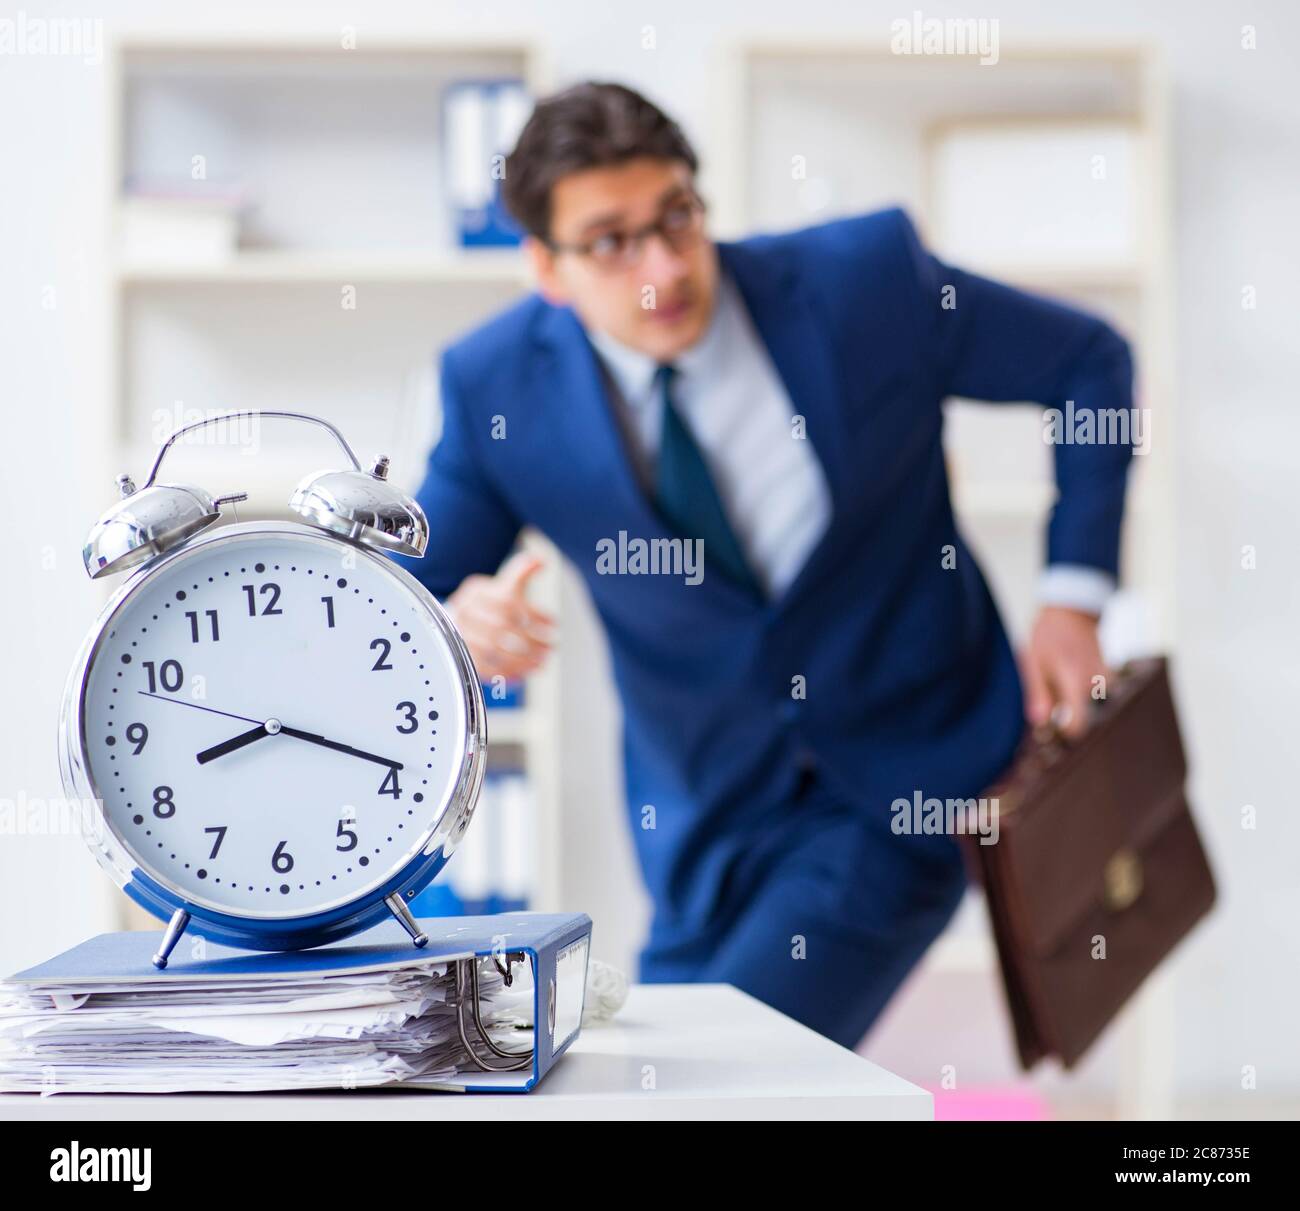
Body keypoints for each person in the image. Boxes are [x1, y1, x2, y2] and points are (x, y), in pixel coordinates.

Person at [412, 82, 1134, 1048]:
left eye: (678, 217)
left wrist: (1073, 599)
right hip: (702, 827)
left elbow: (1090, 364)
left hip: (903, 786)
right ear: (545, 266)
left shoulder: (865, 286)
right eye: (612, 242)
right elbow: (411, 595)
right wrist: (459, 623)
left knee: (723, 1081)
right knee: (639, 1069)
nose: (664, 267)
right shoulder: (496, 384)